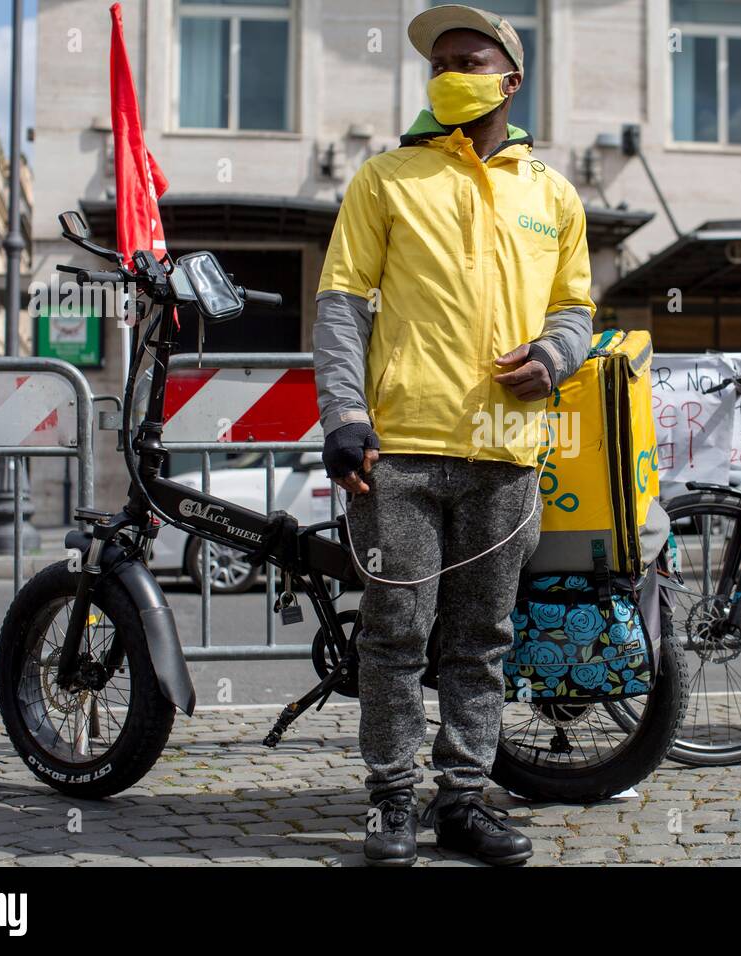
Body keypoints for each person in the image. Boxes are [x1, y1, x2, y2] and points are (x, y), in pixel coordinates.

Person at [313, 4, 595, 866]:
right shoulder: (385, 179)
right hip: (398, 451)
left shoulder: (552, 194)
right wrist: (343, 415)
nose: (447, 75)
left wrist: (554, 355)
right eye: (437, 64)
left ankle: (464, 802)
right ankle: (391, 802)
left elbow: (576, 308)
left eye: (466, 61)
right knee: (395, 636)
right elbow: (342, 303)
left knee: (481, 642)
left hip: (506, 453)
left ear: (510, 80)